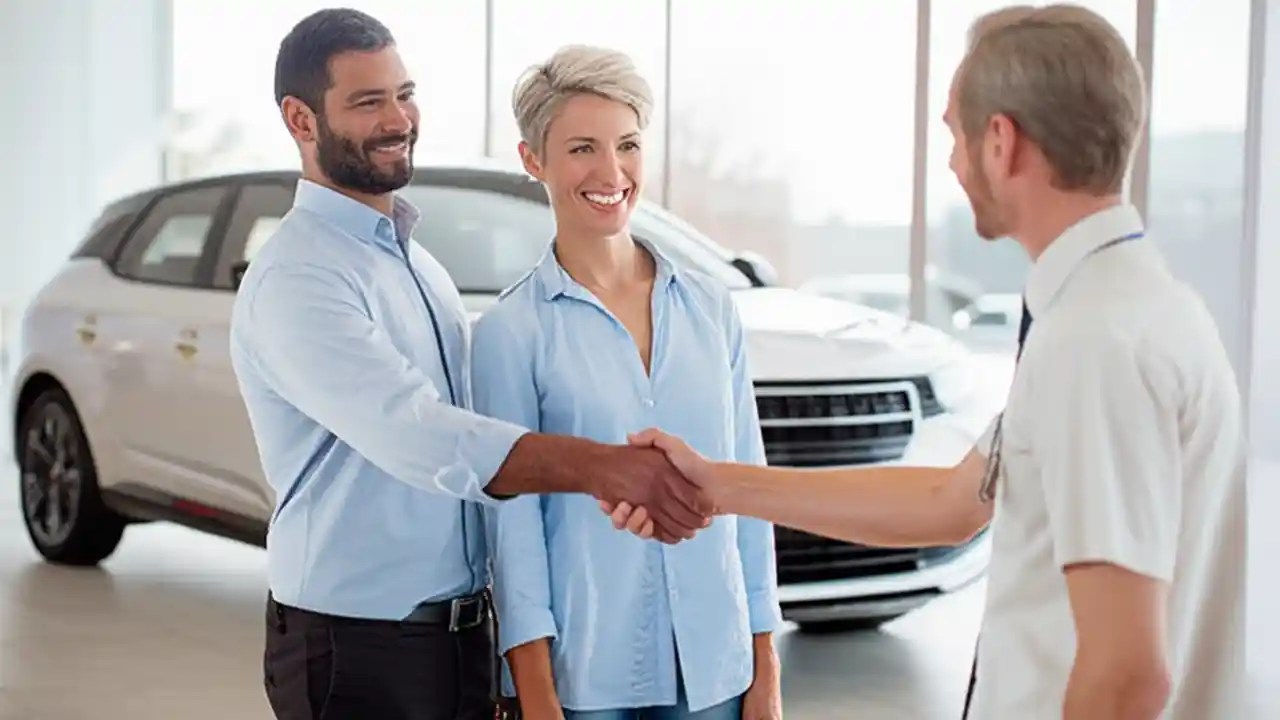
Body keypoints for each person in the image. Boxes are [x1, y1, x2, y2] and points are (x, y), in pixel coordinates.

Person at [611, 5, 1247, 720]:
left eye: (954, 132)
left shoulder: (1095, 344)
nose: (951, 160)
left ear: (1001, 141)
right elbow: (953, 502)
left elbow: (1128, 674)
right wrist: (717, 485)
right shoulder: (1139, 309)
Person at [229, 10, 713, 720]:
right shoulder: (299, 278)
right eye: (368, 102)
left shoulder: (414, 262)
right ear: (301, 120)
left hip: (453, 639)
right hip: (356, 650)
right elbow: (419, 433)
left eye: (405, 93)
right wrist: (602, 465)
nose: (399, 118)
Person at [470, 46, 783, 720]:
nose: (611, 172)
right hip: (586, 679)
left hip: (717, 669)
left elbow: (747, 489)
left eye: (628, 145)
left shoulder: (710, 308)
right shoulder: (510, 332)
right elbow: (512, 530)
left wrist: (766, 674)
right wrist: (538, 698)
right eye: (582, 148)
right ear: (534, 161)